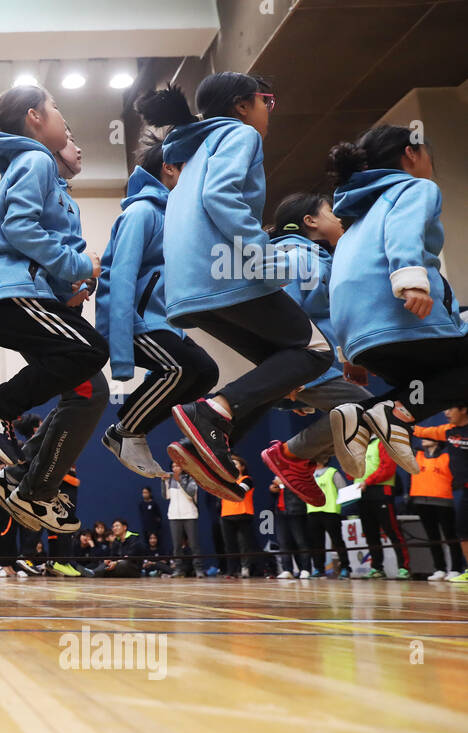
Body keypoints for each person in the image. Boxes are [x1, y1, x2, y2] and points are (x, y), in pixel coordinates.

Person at [136, 75, 330, 499]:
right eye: (268, 100)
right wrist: (266, 257)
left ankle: (203, 446)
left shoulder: (196, 149)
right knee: (317, 351)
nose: (269, 110)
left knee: (280, 367)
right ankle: (212, 413)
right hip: (222, 273)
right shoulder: (240, 135)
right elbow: (222, 198)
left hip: (188, 288)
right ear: (243, 105)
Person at [0, 84, 105, 535]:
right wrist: (80, 265)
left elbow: (39, 248)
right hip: (4, 293)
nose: (66, 124)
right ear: (35, 117)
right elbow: (20, 228)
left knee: (88, 386)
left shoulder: (41, 171)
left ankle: (25, 481)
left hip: (21, 294)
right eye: (58, 110)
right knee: (91, 351)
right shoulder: (35, 159)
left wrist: (72, 287)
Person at [325, 124, 468, 480]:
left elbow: (341, 284)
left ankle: (367, 416)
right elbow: (403, 230)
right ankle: (392, 416)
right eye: (428, 154)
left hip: (365, 346)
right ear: (411, 153)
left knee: (442, 381)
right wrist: (410, 281)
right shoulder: (415, 188)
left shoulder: (356, 221)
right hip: (404, 325)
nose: (430, 163)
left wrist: (347, 352)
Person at [97, 138, 217, 478]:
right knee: (180, 367)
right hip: (131, 322)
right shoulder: (141, 212)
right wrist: (121, 345)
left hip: (163, 325)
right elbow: (120, 277)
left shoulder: (175, 218)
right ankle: (125, 432)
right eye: (187, 169)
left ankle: (134, 429)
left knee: (207, 372)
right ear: (168, 168)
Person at [258, 192, 370, 505]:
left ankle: (301, 460)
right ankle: (289, 454)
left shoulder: (315, 257)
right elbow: (282, 315)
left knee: (360, 416)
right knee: (371, 412)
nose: (339, 218)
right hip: (306, 364)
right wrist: (289, 374)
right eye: (332, 212)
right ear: (310, 221)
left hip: (318, 366)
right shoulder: (296, 255)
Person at [413, 408, 468, 583]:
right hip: (464, 490)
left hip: (447, 498)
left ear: (464, 409)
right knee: (462, 531)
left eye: (450, 409)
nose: (446, 413)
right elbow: (419, 431)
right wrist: (394, 419)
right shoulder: (448, 430)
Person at [354, 437, 410, 579]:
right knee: (370, 533)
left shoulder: (383, 443)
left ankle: (404, 568)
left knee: (392, 531)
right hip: (361, 493)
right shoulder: (360, 446)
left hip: (381, 492)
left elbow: (387, 468)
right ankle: (376, 568)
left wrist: (368, 481)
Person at [305, 455, 350, 578]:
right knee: (317, 543)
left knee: (337, 541)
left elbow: (343, 489)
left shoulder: (332, 472)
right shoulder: (308, 475)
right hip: (313, 511)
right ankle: (319, 568)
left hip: (330, 512)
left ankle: (345, 567)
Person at [218, 455, 257, 577]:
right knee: (229, 545)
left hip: (243, 514)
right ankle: (231, 570)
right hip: (227, 515)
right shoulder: (225, 482)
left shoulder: (247, 479)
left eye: (235, 464)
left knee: (244, 544)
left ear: (242, 467)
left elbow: (240, 492)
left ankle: (245, 568)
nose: (233, 466)